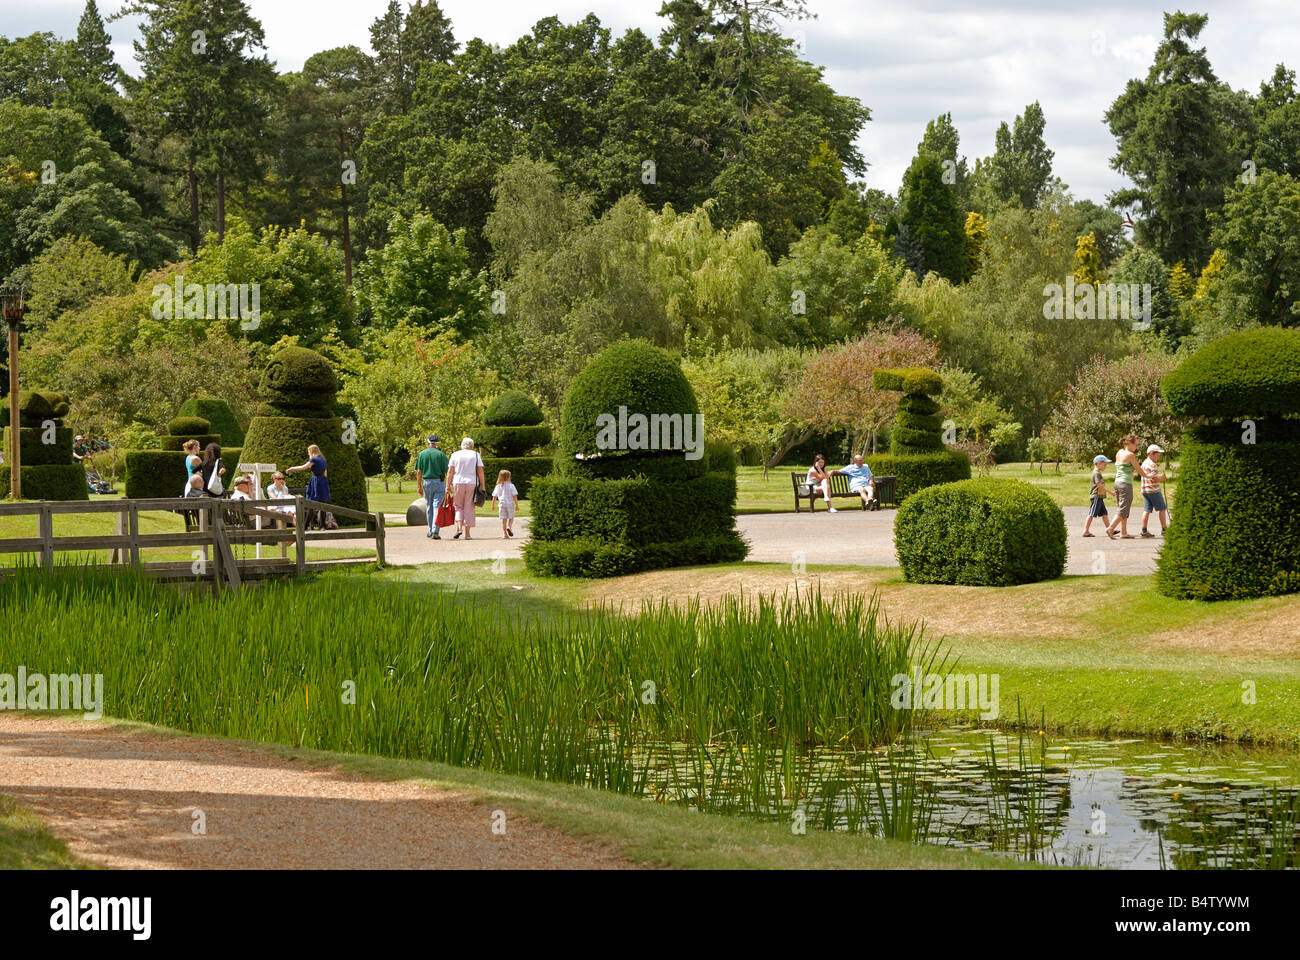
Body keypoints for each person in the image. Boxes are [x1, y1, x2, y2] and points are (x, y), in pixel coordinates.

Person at [445, 437, 485, 541]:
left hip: (458, 482)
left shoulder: (455, 454)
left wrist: (447, 485)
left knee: (458, 506)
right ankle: (467, 534)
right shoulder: (476, 455)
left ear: (462, 445)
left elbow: (450, 471)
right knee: (469, 507)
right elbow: (480, 471)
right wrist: (483, 485)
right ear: (472, 446)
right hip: (471, 482)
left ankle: (459, 528)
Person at [285, 445, 331, 529]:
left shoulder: (314, 459)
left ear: (311, 451)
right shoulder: (323, 460)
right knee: (322, 504)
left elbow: (303, 467)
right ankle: (322, 526)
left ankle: (305, 526)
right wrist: (324, 483)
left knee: (311, 504)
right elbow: (325, 472)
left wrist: (291, 468)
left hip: (316, 481)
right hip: (323, 481)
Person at [1105, 435, 1141, 540]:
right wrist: (1149, 476)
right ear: (1129, 443)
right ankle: (1110, 528)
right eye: (1136, 444)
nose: (1137, 447)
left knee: (1122, 508)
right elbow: (1139, 470)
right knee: (1124, 509)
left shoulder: (1119, 452)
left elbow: (1125, 468)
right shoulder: (1131, 455)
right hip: (1125, 484)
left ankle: (1123, 532)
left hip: (1117, 483)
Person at [416, 434, 449, 540]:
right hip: (439, 482)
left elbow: (419, 472)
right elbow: (447, 472)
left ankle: (430, 530)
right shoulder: (441, 455)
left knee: (429, 506)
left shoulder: (422, 454)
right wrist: (449, 485)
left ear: (428, 442)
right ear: (437, 443)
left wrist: (418, 486)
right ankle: (435, 530)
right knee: (436, 506)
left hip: (426, 482)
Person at [1139, 444, 1169, 538]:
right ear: (1151, 454)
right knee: (1162, 509)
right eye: (1157, 455)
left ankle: (1144, 530)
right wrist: (1162, 478)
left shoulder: (1144, 463)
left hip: (1145, 490)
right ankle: (1164, 529)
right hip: (1154, 490)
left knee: (1147, 510)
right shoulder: (1153, 465)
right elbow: (1155, 479)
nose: (1158, 456)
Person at [1083, 455, 1112, 537]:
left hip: (1099, 497)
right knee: (1091, 514)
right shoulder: (1096, 473)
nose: (1106, 466)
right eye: (1105, 464)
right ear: (1099, 463)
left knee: (1104, 513)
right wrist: (1111, 492)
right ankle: (1085, 531)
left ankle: (1109, 530)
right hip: (1096, 496)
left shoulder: (1098, 473)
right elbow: (1100, 485)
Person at [492, 469, 519, 538]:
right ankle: (509, 527)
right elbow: (514, 496)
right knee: (511, 517)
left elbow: (494, 496)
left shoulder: (498, 486)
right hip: (509, 504)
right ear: (509, 477)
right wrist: (517, 505)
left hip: (501, 504)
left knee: (504, 519)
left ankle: (504, 534)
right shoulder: (511, 486)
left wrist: (493, 505)